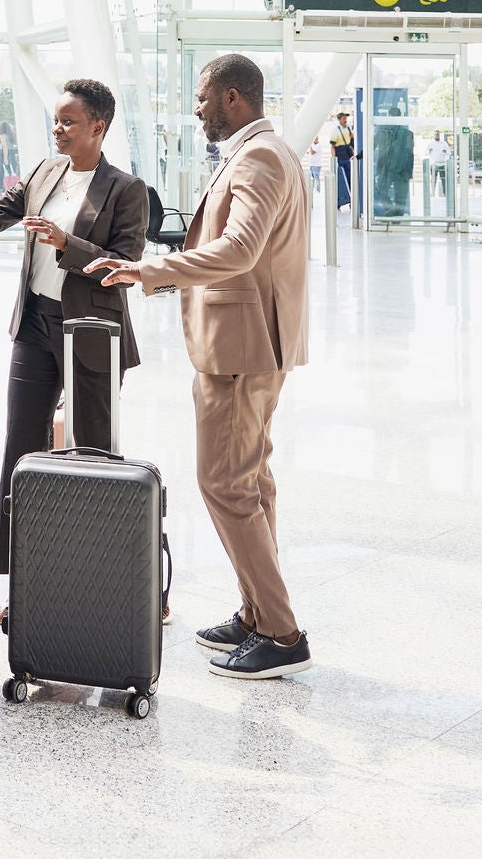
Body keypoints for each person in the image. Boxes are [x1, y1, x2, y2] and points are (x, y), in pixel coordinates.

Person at [86, 53, 313, 680]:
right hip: (249, 345)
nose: (196, 108)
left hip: (243, 349)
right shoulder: (265, 153)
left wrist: (148, 270)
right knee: (252, 482)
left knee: (224, 485)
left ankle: (282, 632)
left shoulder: (261, 157)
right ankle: (255, 613)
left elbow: (240, 249)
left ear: (234, 98)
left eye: (203, 96)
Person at [0, 78, 149, 579]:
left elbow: (128, 265)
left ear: (98, 126)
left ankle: (95, 569)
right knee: (21, 442)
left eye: (69, 121)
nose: (58, 128)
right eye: (56, 119)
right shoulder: (45, 173)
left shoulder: (125, 189)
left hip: (92, 331)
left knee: (92, 446)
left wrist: (68, 243)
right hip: (35, 325)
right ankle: (18, 573)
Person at [329, 110, 355, 209]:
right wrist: (334, 159)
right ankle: (339, 202)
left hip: (348, 156)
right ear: (339, 120)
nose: (345, 120)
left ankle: (351, 201)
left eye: (346, 118)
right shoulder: (335, 131)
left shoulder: (348, 128)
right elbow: (333, 146)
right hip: (340, 157)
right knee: (340, 180)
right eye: (344, 118)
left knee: (350, 179)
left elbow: (352, 140)